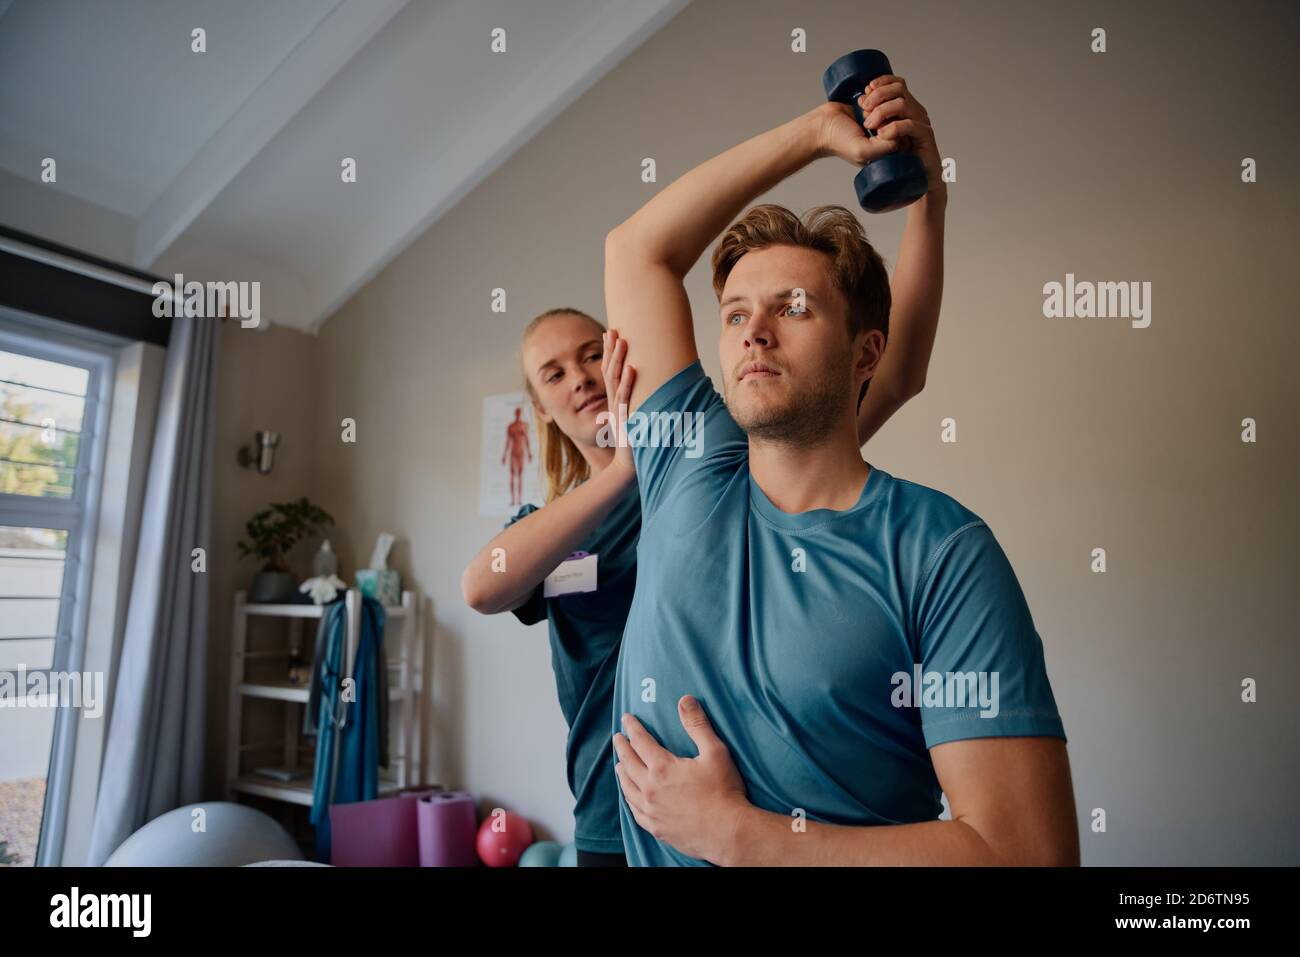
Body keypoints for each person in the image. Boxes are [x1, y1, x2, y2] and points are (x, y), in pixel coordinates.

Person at [604, 74, 1079, 865]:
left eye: (792, 307)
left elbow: (1028, 853)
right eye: (733, 313)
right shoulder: (686, 463)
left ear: (864, 352)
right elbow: (636, 249)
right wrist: (818, 133)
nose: (754, 330)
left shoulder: (942, 552)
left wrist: (746, 837)